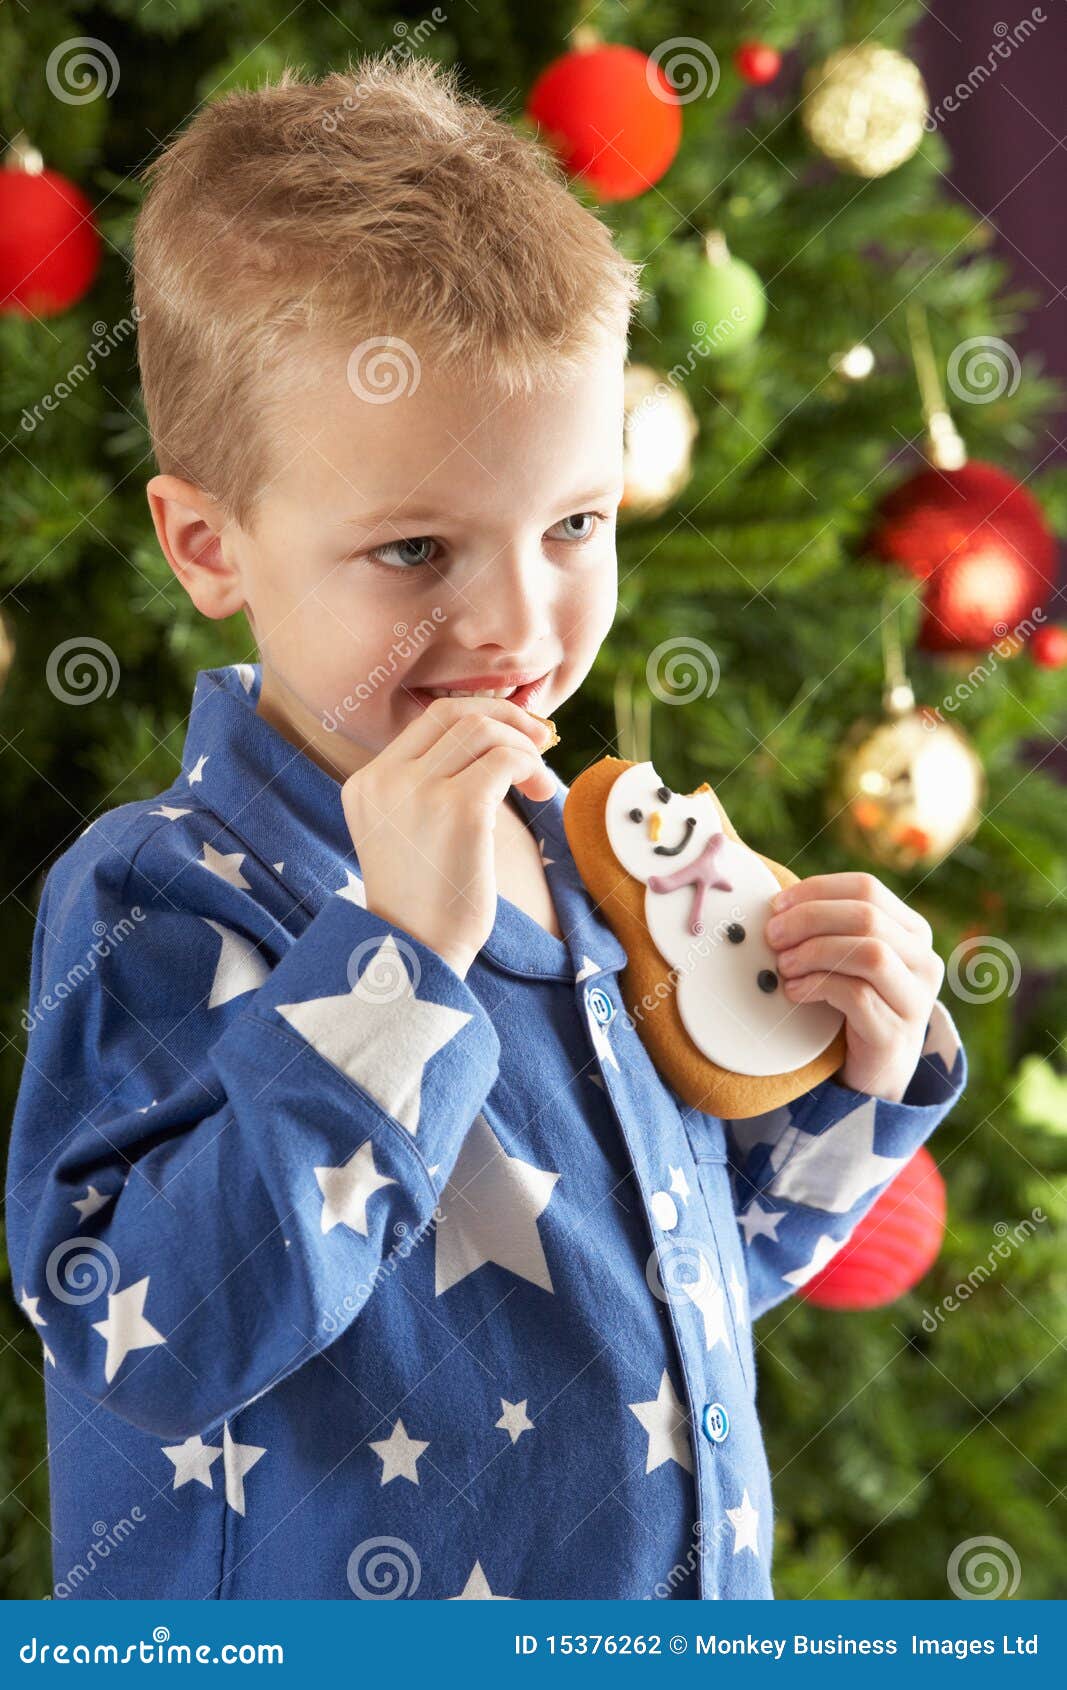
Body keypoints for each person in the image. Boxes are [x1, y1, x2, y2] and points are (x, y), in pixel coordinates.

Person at [6, 54, 966, 1601]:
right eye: (413, 548)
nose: (520, 623)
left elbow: (679, 1290)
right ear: (207, 544)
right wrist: (395, 958)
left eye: (575, 523)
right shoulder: (164, 886)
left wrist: (860, 1072)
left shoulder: (587, 863)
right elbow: (151, 1334)